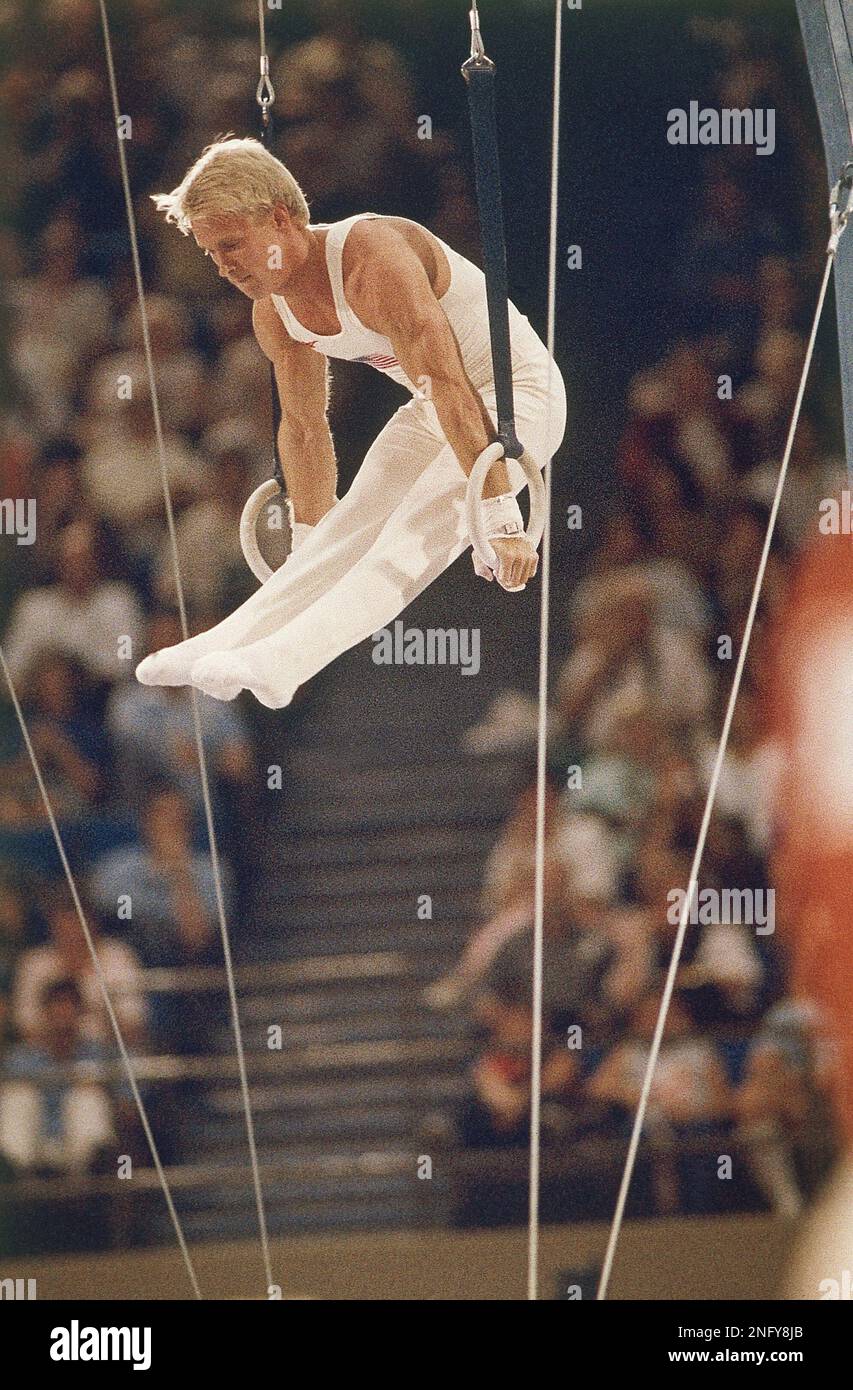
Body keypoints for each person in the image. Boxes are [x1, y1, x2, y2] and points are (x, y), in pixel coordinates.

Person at [135, 137, 567, 709]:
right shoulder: (274, 308)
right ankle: (231, 640)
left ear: (280, 218)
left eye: (233, 244)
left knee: (411, 535)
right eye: (212, 252)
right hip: (433, 406)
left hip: (518, 401)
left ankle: (283, 663)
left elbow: (445, 377)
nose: (223, 266)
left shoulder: (371, 257)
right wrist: (309, 550)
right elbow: (305, 427)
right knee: (350, 524)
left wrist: (499, 516)